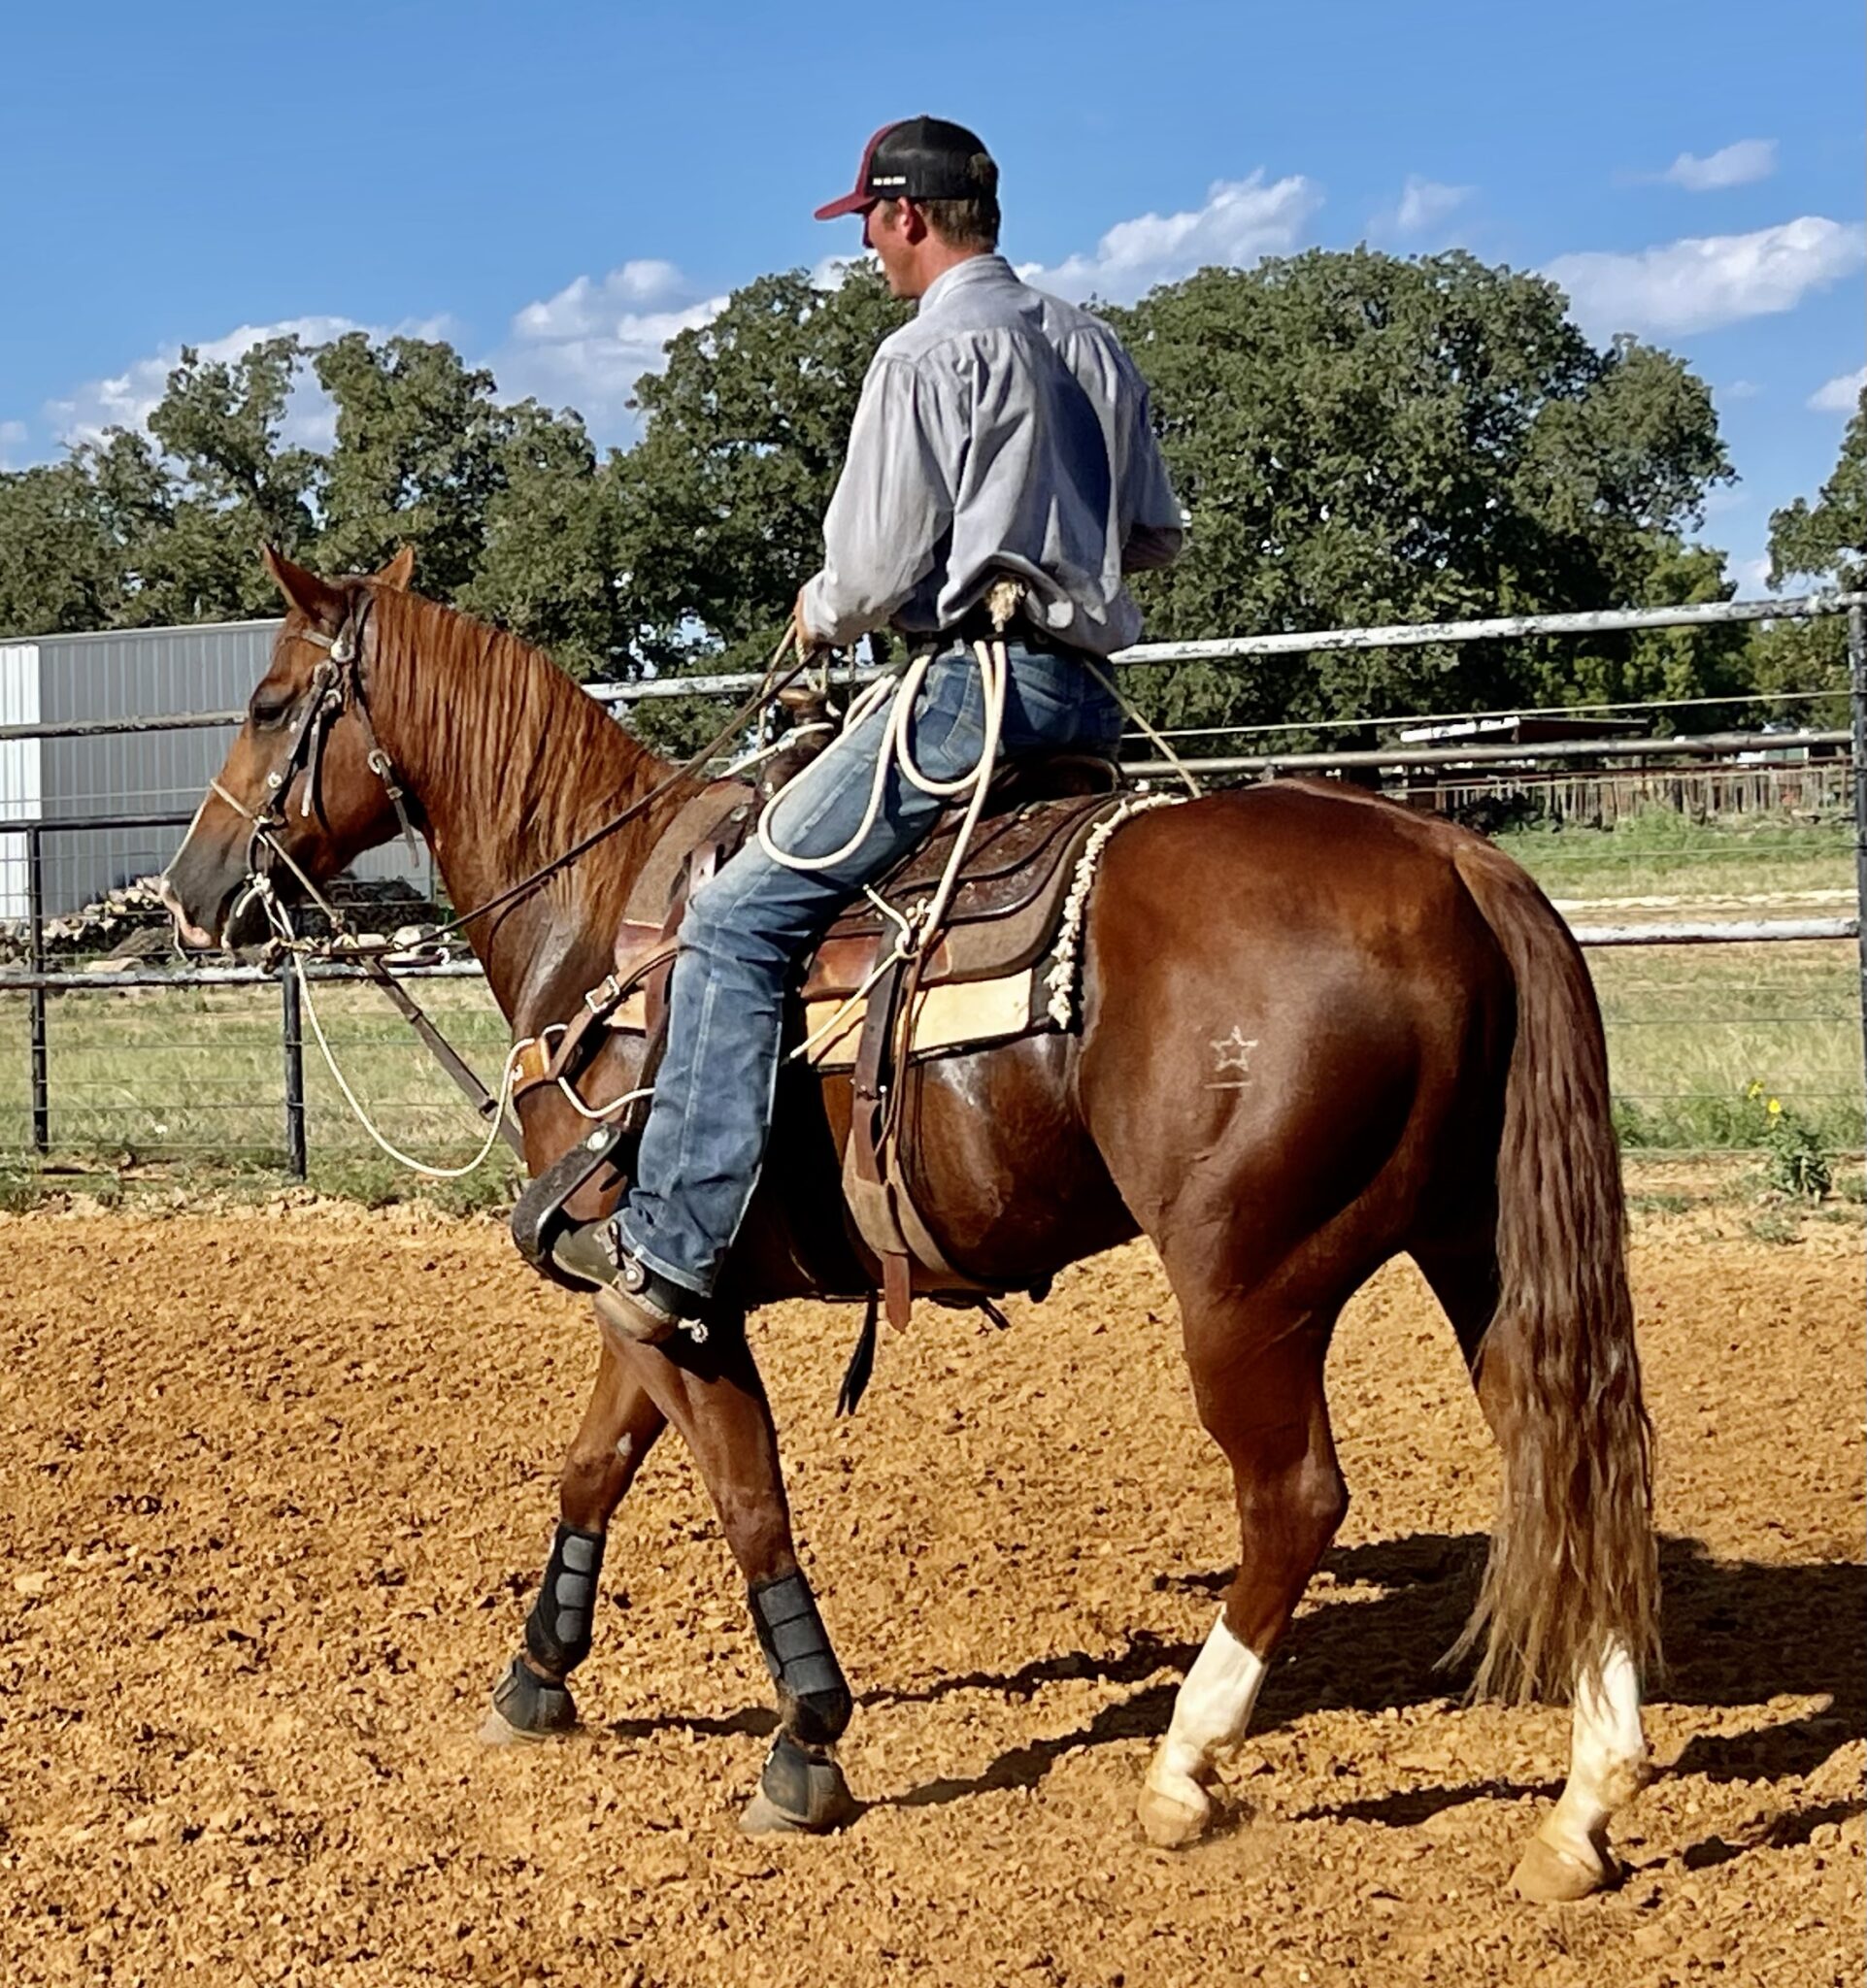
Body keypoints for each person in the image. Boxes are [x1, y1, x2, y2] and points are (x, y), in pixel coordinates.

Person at [596, 114, 1184, 1346]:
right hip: (1086, 699)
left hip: (970, 693)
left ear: (907, 216)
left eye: (868, 219)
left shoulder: (921, 358)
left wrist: (819, 611)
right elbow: (1154, 536)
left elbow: (867, 571)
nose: (866, 243)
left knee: (736, 915)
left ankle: (676, 1240)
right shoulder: (1094, 343)